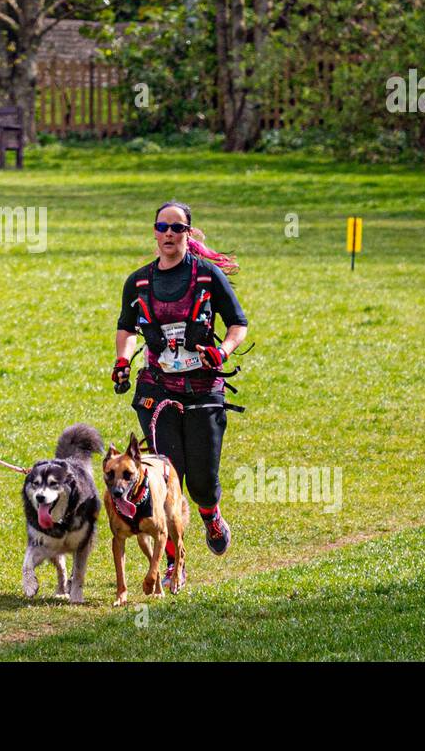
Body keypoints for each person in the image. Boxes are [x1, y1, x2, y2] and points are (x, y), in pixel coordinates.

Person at [111, 201, 248, 588]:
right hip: (157, 390)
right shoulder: (138, 282)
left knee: (202, 480)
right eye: (162, 227)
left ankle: (210, 514)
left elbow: (238, 322)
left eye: (177, 228)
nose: (169, 234)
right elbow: (126, 328)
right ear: (154, 233)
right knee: (169, 480)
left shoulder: (206, 276)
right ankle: (173, 561)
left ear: (188, 232)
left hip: (204, 388)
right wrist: (123, 360)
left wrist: (222, 352)